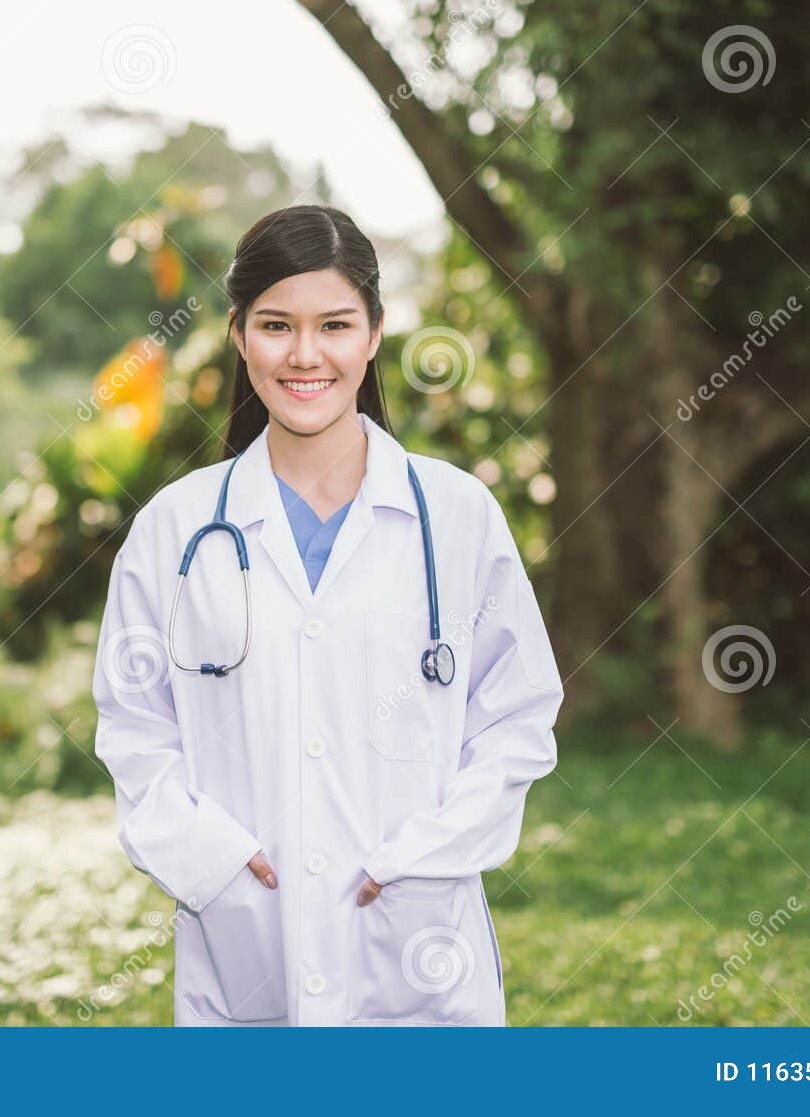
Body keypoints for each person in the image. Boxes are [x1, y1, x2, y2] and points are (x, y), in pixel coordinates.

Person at [92, 204, 564, 1026]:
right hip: (244, 955)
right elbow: (135, 728)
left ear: (374, 333)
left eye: (335, 325)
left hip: (421, 963)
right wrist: (215, 862)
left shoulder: (456, 517)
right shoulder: (175, 529)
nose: (305, 355)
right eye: (276, 325)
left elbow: (518, 717)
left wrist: (429, 856)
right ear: (239, 335)